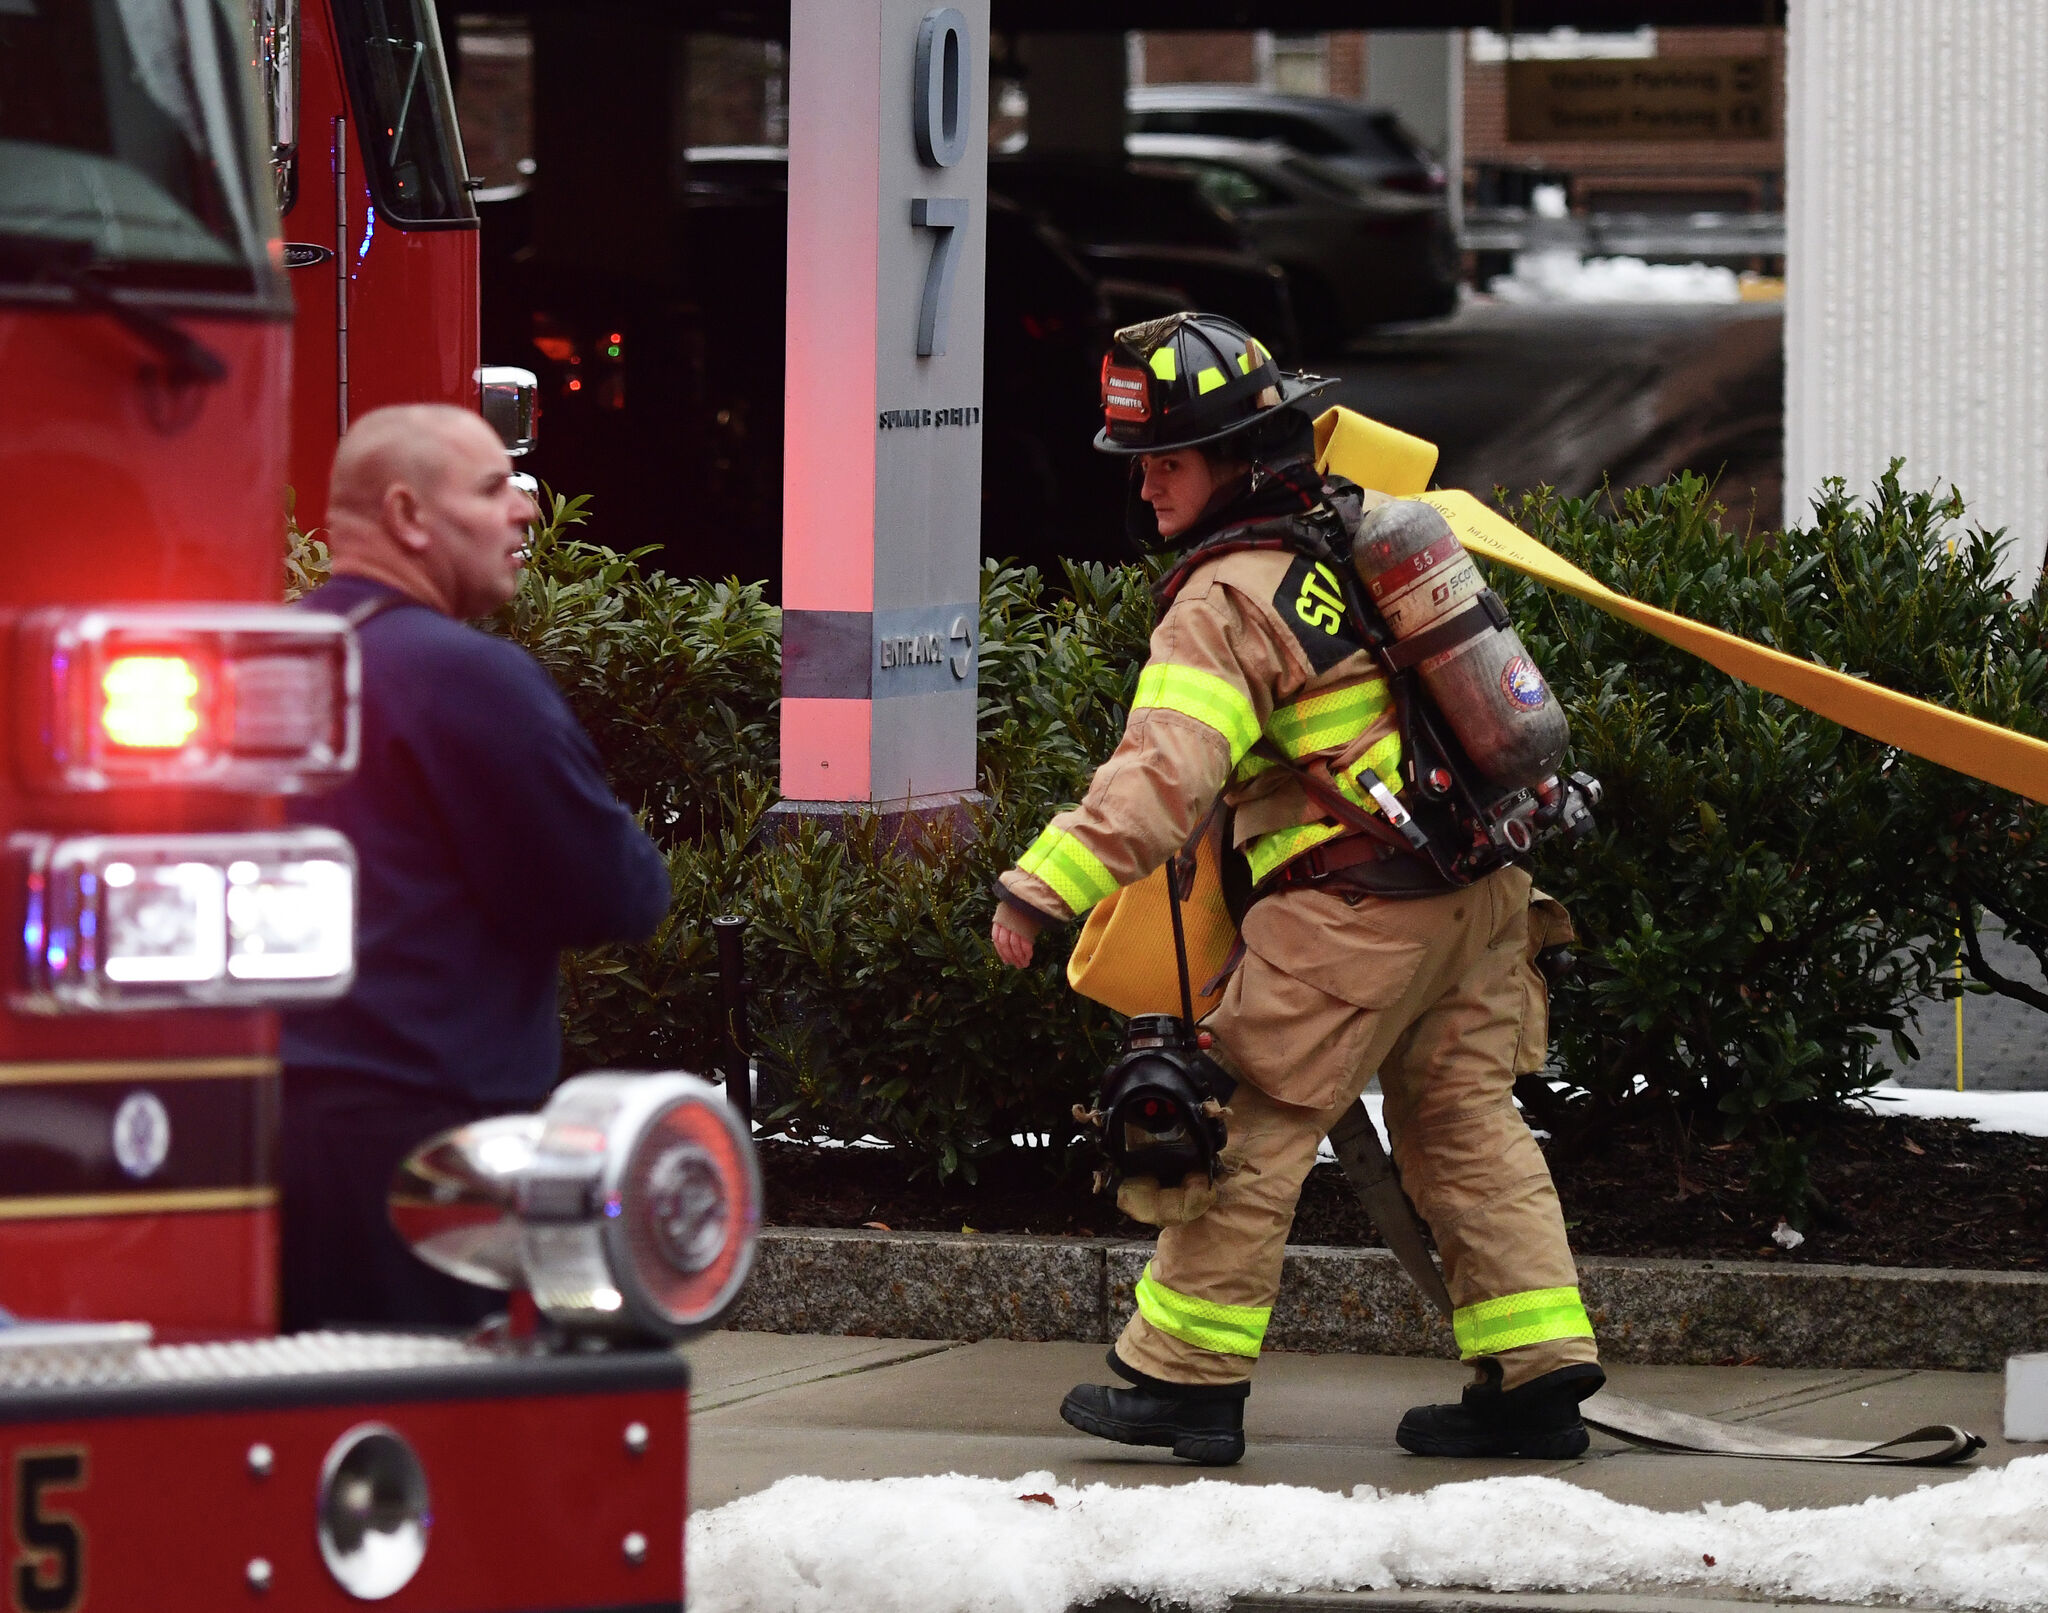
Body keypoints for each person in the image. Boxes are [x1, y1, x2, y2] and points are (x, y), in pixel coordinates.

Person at [990, 313, 1603, 1464]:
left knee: (1244, 1117)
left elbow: (1166, 771)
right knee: (1463, 1120)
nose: (1149, 487)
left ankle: (1182, 1378)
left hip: (1355, 902)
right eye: (1141, 463)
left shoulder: (1226, 596)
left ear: (1238, 457)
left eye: (1168, 460)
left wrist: (1040, 885)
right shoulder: (1357, 534)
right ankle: (1536, 1372)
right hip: (1479, 893)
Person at [281, 404, 671, 1331]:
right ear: (411, 516)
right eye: (494, 488)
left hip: (251, 1132)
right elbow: (618, 893)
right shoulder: (468, 679)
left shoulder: (263, 665)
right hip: (436, 1151)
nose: (526, 511)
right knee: (435, 1433)